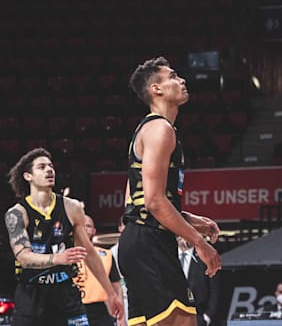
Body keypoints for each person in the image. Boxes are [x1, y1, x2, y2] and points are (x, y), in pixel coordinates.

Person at [122, 57, 221, 326]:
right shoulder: (160, 129)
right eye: (174, 76)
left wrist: (192, 220)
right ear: (157, 89)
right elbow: (154, 202)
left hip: (139, 242)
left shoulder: (147, 129)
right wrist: (200, 244)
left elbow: (135, 201)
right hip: (150, 244)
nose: (182, 80)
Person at [4, 148, 123, 326]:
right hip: (32, 296)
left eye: (51, 166)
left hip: (67, 294)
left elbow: (89, 253)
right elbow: (23, 257)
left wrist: (111, 294)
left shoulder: (72, 207)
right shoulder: (17, 213)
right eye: (42, 167)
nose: (49, 170)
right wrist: (58, 258)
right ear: (28, 176)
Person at [73, 214, 123, 326]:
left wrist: (121, 316)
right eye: (82, 226)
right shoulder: (67, 255)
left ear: (94, 231)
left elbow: (116, 286)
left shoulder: (107, 255)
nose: (85, 229)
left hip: (101, 310)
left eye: (88, 226)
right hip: (74, 308)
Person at [178, 236, 220, 324]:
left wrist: (207, 317)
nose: (182, 236)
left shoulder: (206, 257)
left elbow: (215, 290)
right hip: (173, 317)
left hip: (199, 317)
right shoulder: (168, 255)